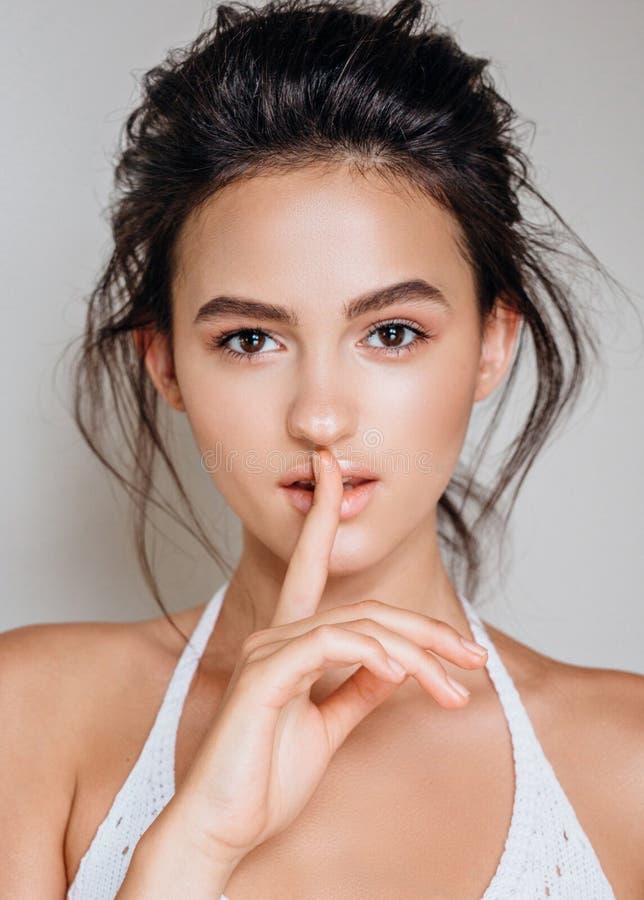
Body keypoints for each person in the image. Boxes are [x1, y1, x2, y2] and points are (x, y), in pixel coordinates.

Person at [1, 0, 642, 896]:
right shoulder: (30, 713)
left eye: (392, 333)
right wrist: (195, 846)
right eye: (250, 340)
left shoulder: (626, 763)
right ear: (167, 363)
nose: (320, 418)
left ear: (492, 344)